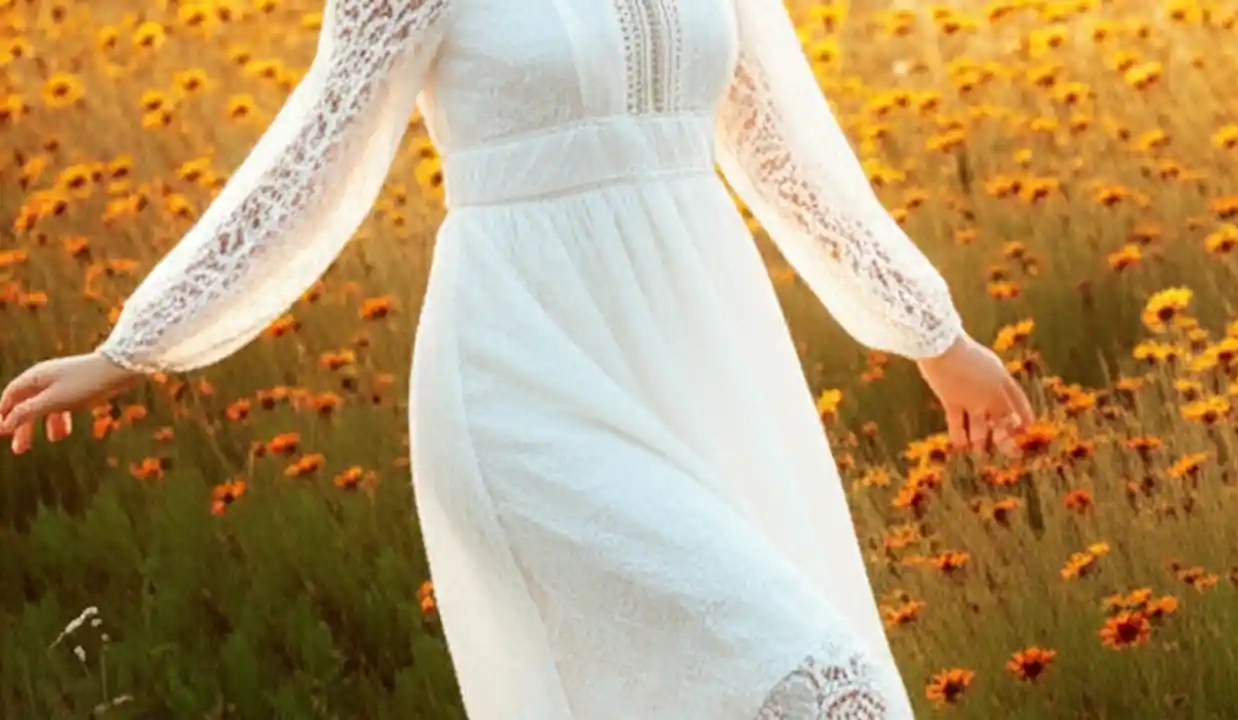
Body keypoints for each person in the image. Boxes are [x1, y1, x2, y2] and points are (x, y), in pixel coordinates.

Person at [0, 0, 1035, 717]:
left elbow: (781, 152)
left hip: (706, 370)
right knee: (815, 687)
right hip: (523, 388)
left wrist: (931, 336)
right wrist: (138, 344)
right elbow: (313, 155)